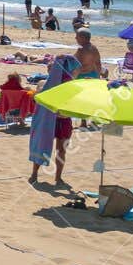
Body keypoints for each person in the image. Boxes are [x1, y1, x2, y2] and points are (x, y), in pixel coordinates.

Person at [27, 48, 81, 186]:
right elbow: (38, 99)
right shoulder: (43, 84)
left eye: (53, 68)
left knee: (61, 150)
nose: (51, 70)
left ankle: (58, 177)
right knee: (42, 146)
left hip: (63, 120)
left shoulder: (68, 85)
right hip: (47, 121)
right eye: (50, 68)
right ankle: (34, 174)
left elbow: (78, 68)